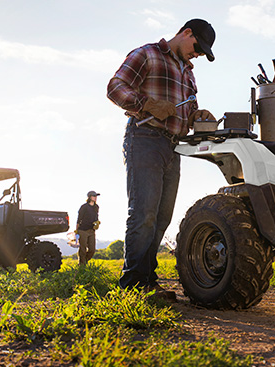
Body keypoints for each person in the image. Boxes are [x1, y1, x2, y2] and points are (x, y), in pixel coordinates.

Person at [107, 19, 216, 301]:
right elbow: (115, 87)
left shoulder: (189, 75)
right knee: (144, 214)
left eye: (202, 53)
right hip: (144, 140)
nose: (198, 54)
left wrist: (197, 116)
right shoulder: (147, 54)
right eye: (197, 47)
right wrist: (146, 104)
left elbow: (187, 112)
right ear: (186, 33)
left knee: (162, 218)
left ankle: (146, 279)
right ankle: (132, 284)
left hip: (172, 146)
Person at [76, 190, 100, 266]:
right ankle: (82, 266)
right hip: (83, 230)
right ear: (89, 197)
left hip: (92, 230)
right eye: (94, 196)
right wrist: (77, 231)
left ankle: (84, 261)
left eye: (96, 196)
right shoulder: (84, 207)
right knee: (82, 249)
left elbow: (96, 217)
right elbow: (79, 219)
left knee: (92, 250)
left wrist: (97, 223)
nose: (95, 198)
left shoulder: (96, 207)